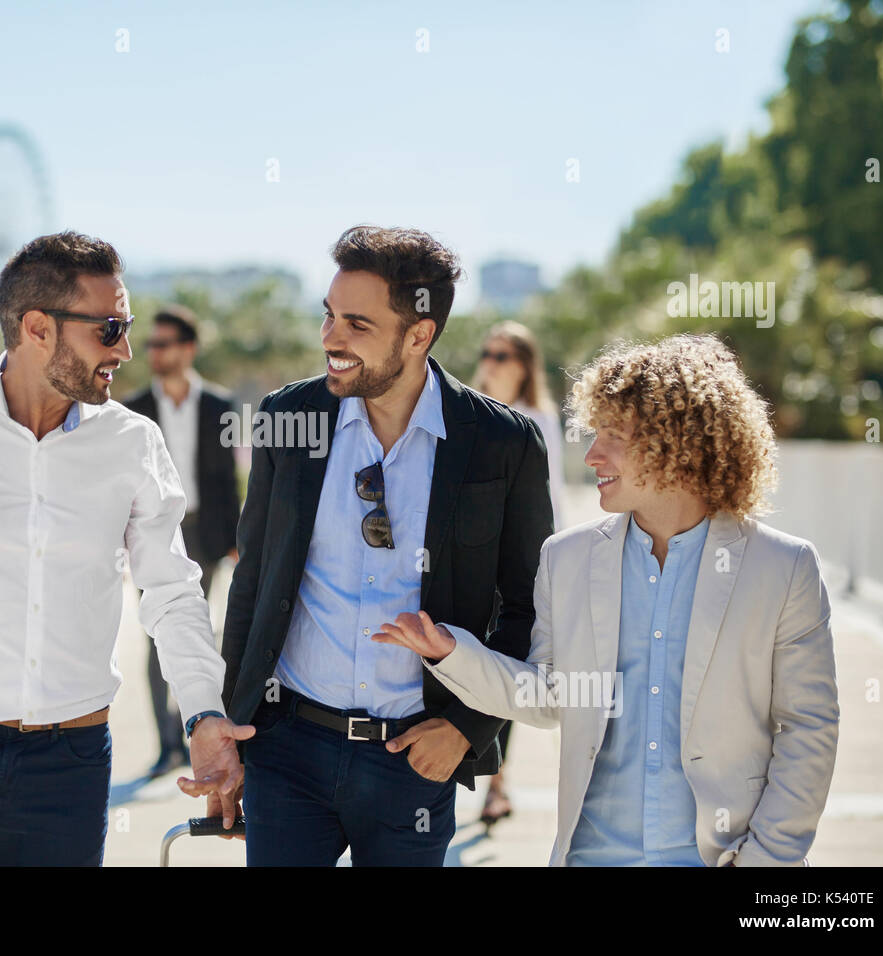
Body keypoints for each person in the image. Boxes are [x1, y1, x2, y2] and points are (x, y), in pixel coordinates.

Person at [0, 231, 252, 866]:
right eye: (109, 328)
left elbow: (169, 590)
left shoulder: (133, 443)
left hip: (70, 766)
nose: (127, 349)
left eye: (128, 325)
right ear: (37, 327)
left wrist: (201, 714)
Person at [377, 334, 840, 866]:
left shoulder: (785, 568)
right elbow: (550, 696)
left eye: (614, 435)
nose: (591, 454)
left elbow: (809, 728)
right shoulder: (566, 559)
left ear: (679, 442)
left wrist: (766, 860)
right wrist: (451, 652)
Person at [218, 225, 555, 866]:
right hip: (286, 748)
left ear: (419, 333)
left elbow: (527, 607)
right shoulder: (290, 422)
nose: (331, 338)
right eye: (328, 316)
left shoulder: (501, 444)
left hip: (415, 760)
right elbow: (253, 583)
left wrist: (467, 730)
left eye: (357, 324)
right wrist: (232, 737)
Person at [122, 305, 240, 777]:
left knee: (202, 630)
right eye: (150, 344)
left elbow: (228, 478)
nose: (153, 352)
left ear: (188, 348)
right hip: (152, 534)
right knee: (155, 635)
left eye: (164, 344)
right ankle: (167, 743)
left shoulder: (217, 404)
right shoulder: (131, 409)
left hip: (204, 532)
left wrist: (234, 538)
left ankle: (200, 725)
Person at [469, 319, 566, 828]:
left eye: (503, 355)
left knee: (508, 666)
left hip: (521, 567)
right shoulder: (466, 414)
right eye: (488, 352)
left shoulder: (539, 420)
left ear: (525, 364)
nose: (491, 362)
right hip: (470, 563)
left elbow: (552, 502)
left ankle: (497, 783)